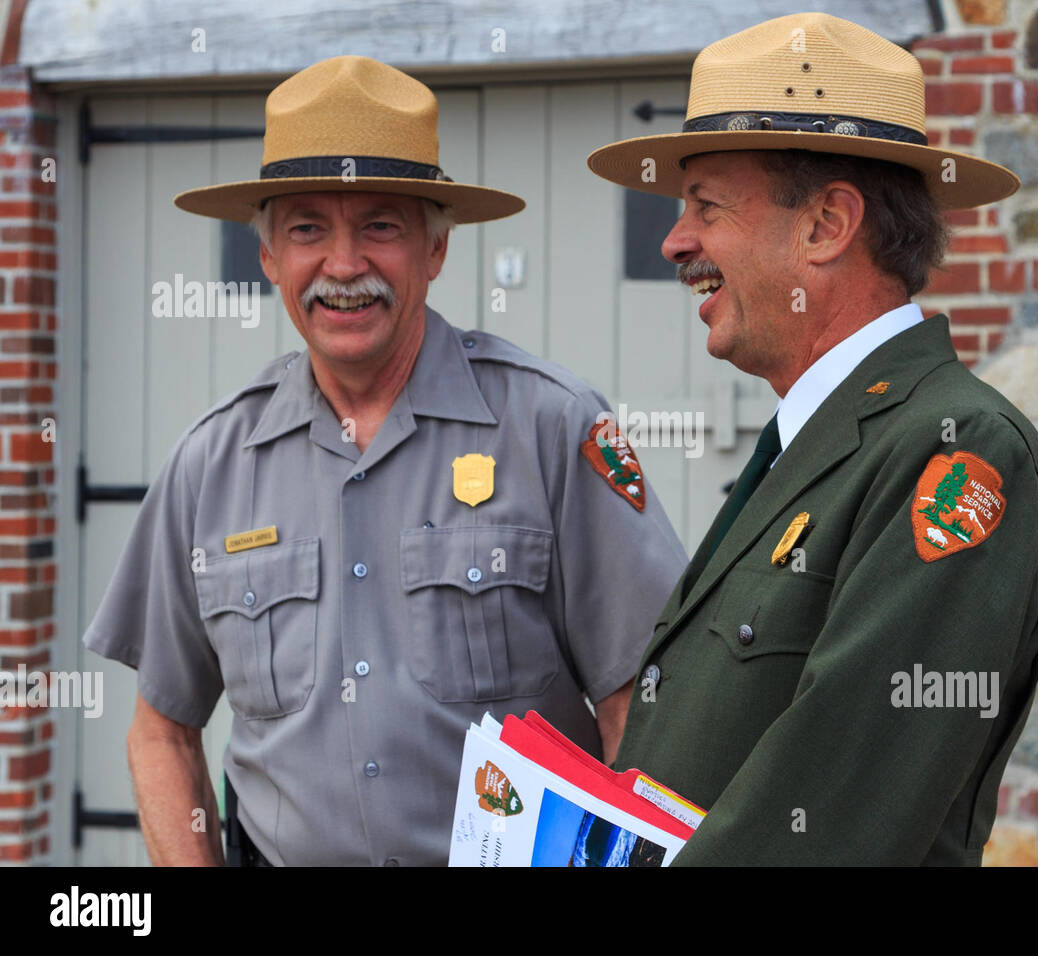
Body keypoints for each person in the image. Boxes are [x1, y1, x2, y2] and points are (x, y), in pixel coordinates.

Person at [83, 55, 686, 866]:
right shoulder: (211, 462)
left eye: (380, 225)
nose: (342, 265)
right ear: (267, 259)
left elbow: (638, 711)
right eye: (306, 229)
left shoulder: (553, 426)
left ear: (434, 250)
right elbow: (161, 729)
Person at [586, 13, 1038, 865]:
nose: (675, 241)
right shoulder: (825, 437)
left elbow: (827, 827)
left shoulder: (958, 454)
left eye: (705, 206)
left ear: (826, 226)